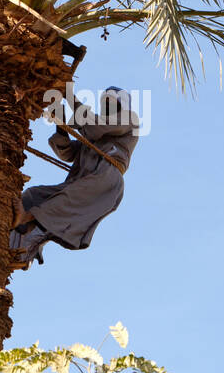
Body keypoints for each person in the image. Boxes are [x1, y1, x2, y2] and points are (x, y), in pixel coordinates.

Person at [9, 87, 139, 269]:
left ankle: (27, 226)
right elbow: (68, 153)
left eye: (111, 103)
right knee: (33, 196)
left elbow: (94, 127)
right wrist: (61, 127)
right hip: (83, 180)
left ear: (121, 106)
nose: (106, 106)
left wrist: (68, 94)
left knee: (59, 203)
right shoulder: (95, 137)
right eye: (104, 103)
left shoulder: (130, 119)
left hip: (105, 179)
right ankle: (15, 250)